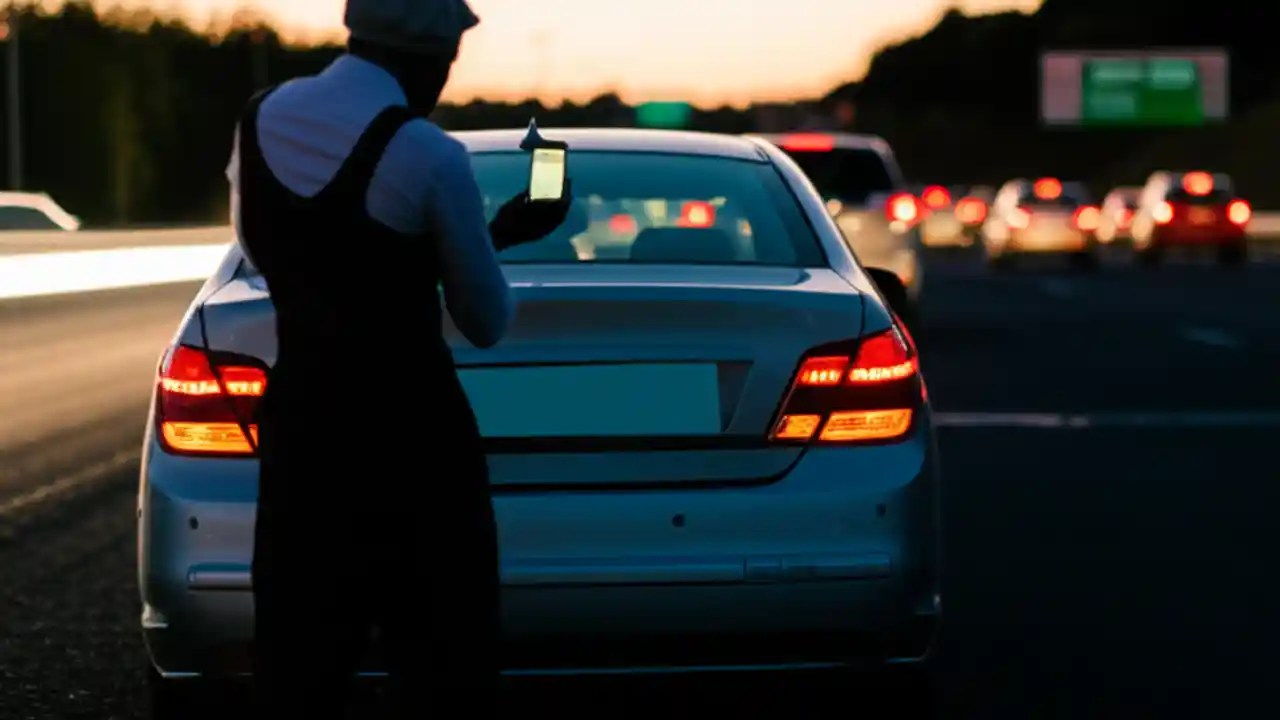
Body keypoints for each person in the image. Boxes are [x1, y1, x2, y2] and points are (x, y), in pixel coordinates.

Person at [224, 0, 572, 717]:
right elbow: (486, 321)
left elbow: (276, 260)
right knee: (445, 664)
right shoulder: (427, 153)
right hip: (415, 449)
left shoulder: (259, 121)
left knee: (299, 667)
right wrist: (495, 236)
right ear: (433, 57)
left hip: (303, 437)